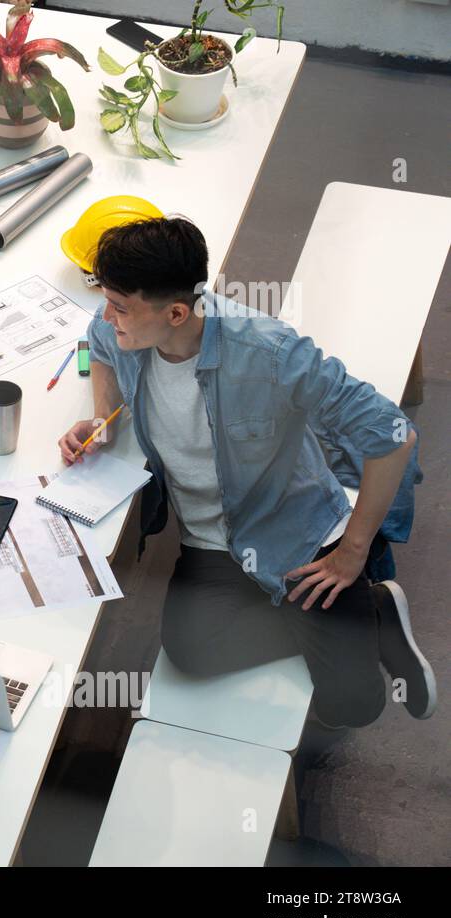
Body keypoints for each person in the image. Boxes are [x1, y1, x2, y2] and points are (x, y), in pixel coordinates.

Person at [58, 216, 434, 728]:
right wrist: (103, 417)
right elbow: (98, 348)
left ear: (174, 312)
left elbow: (394, 435)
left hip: (292, 534)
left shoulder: (270, 352)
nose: (107, 316)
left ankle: (361, 601)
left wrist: (353, 551)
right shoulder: (118, 327)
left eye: (120, 307)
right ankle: (365, 613)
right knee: (190, 653)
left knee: (353, 707)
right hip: (211, 544)